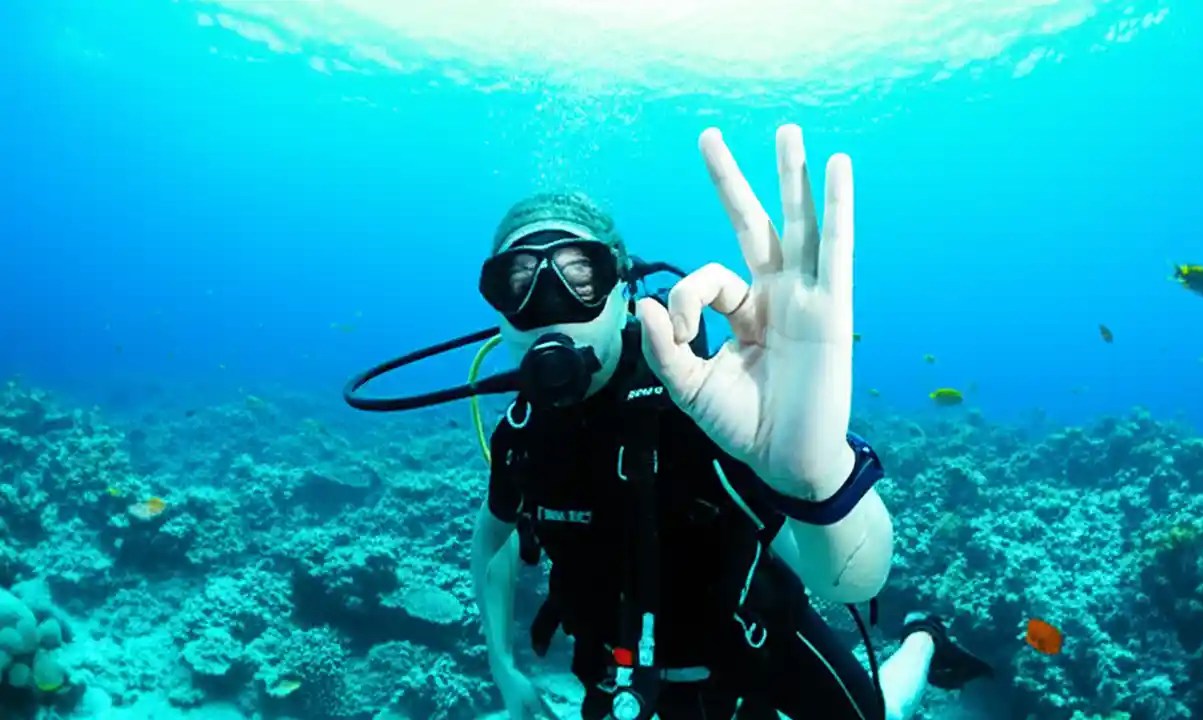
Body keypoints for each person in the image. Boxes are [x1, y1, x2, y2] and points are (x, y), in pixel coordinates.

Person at [341, 124, 992, 720]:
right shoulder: (521, 438)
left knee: (881, 713)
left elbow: (849, 578)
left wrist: (817, 480)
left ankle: (923, 639)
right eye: (518, 282)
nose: (547, 306)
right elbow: (495, 539)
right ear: (500, 314)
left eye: (578, 275)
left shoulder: (702, 408)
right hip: (616, 678)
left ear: (624, 289)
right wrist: (502, 664)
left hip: (754, 649)